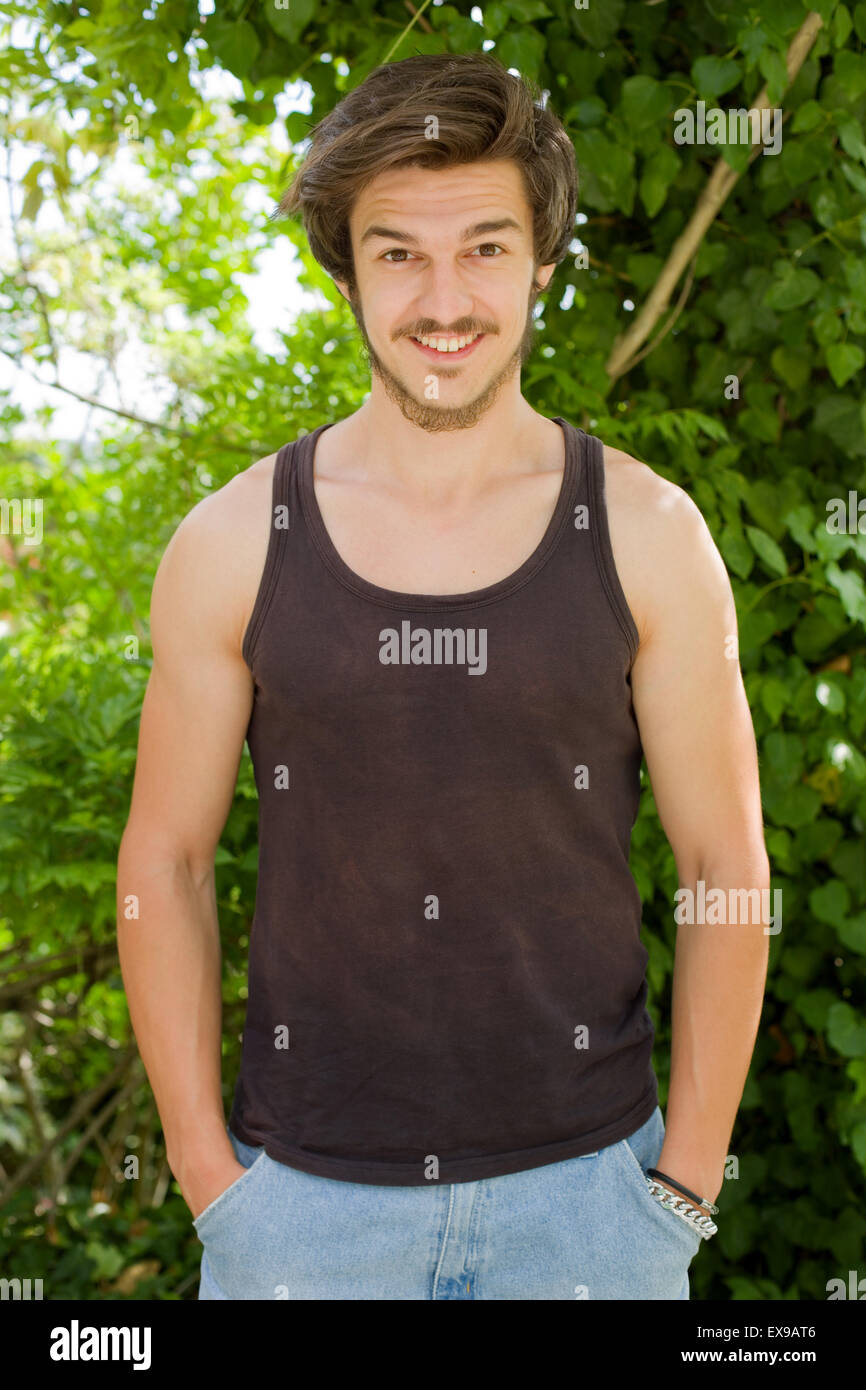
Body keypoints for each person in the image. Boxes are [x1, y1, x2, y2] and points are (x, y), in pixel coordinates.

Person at [116, 51, 770, 1301]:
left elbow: (723, 868)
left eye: (482, 246)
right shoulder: (230, 542)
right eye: (398, 253)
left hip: (590, 1206)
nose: (443, 299)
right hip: (298, 1212)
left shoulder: (645, 530)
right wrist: (214, 1185)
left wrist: (681, 1189)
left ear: (539, 260)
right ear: (347, 271)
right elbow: (165, 864)